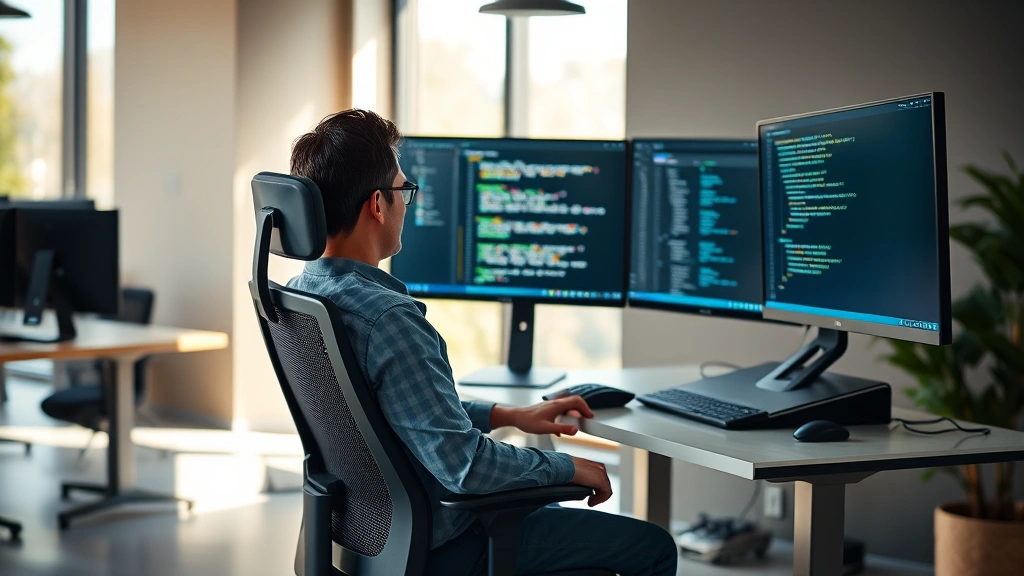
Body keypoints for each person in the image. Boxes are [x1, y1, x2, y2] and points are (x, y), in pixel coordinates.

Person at [287, 109, 677, 576]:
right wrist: (568, 467)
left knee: (544, 512)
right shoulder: (387, 318)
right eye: (404, 190)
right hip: (444, 543)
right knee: (654, 547)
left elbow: (394, 414)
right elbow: (465, 468)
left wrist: (509, 416)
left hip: (369, 536)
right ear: (377, 204)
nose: (407, 203)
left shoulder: (304, 296)